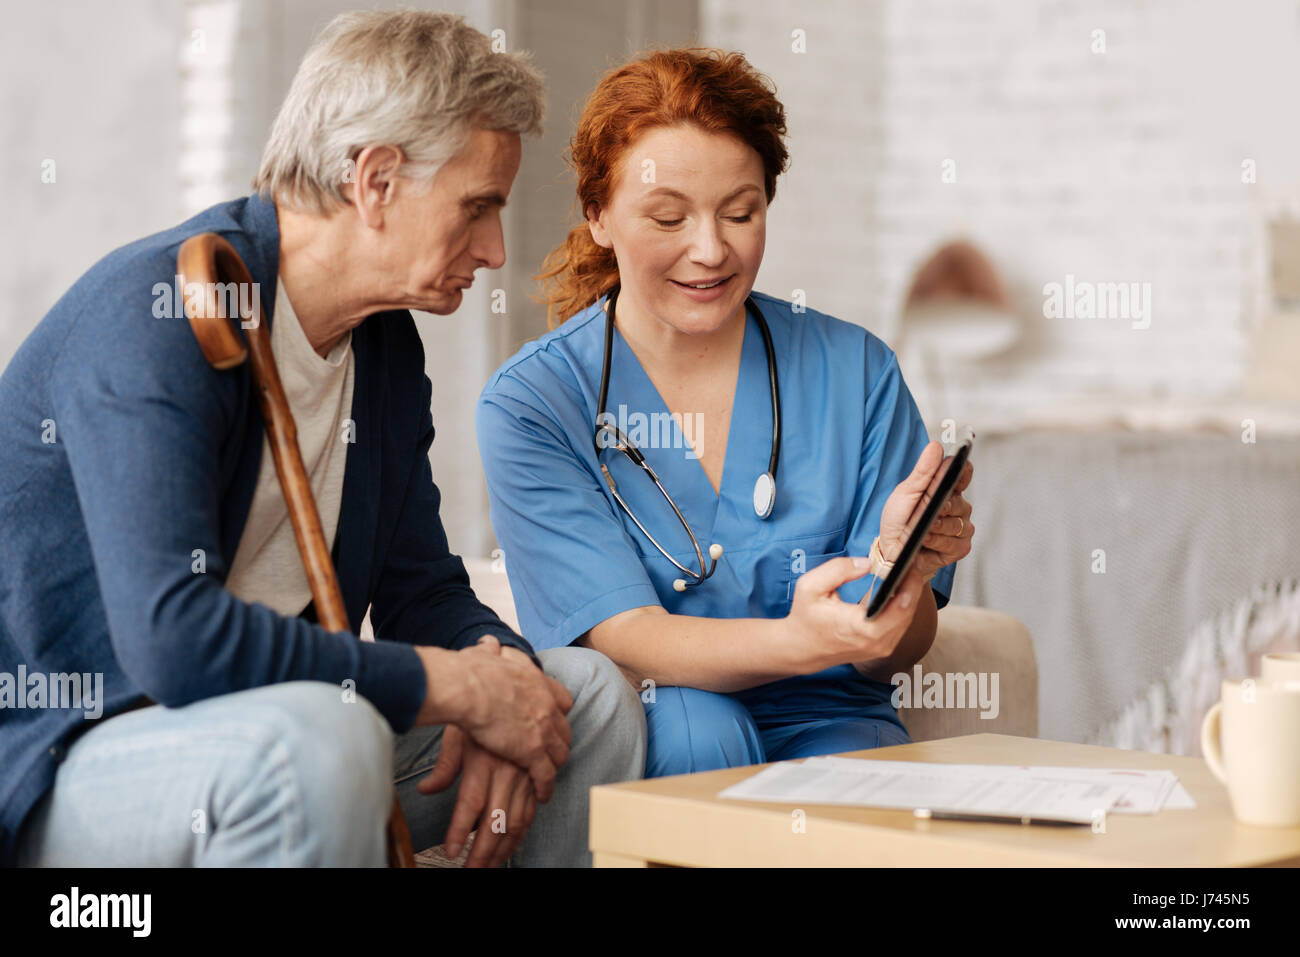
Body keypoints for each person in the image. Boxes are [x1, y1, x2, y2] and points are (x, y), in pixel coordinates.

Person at [0, 10, 645, 868]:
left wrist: (508, 686)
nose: (494, 249)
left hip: (292, 731)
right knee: (312, 735)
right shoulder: (157, 315)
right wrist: (453, 687)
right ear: (375, 181)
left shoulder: (381, 345)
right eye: (478, 207)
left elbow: (423, 592)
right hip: (74, 757)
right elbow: (173, 640)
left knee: (585, 697)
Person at [476, 48, 975, 778]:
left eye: (740, 213)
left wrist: (904, 579)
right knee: (700, 733)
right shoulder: (536, 403)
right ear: (599, 216)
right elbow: (624, 634)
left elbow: (889, 651)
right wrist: (802, 641)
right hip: (662, 712)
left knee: (865, 772)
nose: (710, 250)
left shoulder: (857, 372)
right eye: (668, 216)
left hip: (831, 713)